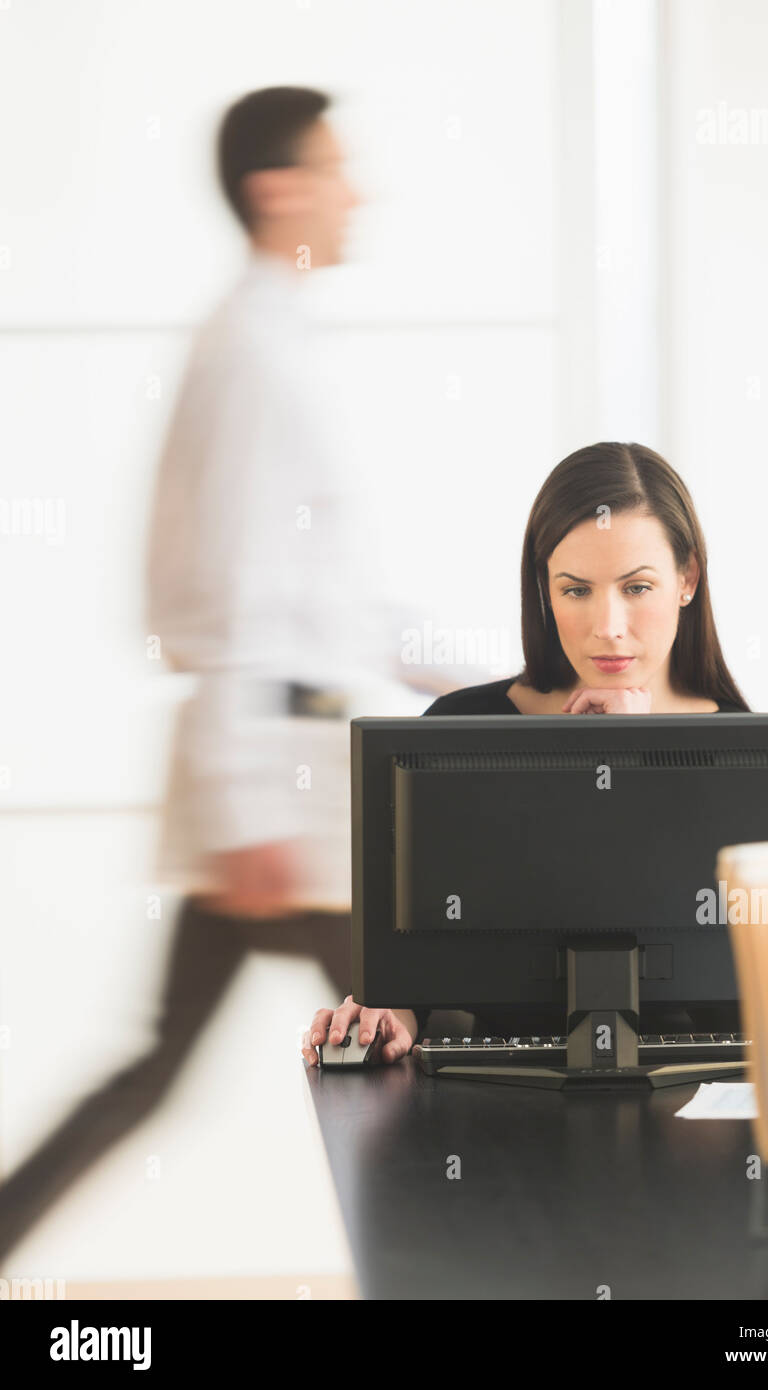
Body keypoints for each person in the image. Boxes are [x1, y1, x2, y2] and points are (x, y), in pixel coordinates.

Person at [0, 86, 461, 1265]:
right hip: (280, 785)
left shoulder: (274, 338)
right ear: (277, 190)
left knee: (172, 1062)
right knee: (434, 1036)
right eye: (337, 167)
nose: (361, 192)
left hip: (284, 772)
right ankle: (465, 1263)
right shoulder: (253, 348)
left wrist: (519, 678)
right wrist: (252, 807)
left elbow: (346, 605)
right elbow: (238, 588)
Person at [302, 441, 751, 1068]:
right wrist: (390, 1011)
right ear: (544, 589)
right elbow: (415, 962)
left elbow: (750, 1006)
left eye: (637, 587)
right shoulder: (456, 733)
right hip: (491, 1108)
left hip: (686, 1112)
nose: (608, 625)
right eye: (576, 591)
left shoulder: (753, 758)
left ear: (687, 579)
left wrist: (642, 760)